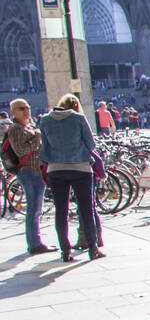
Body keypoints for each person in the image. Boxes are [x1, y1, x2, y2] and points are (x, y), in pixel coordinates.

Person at [39, 94, 103, 262]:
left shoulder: (45, 120)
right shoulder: (79, 118)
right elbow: (91, 144)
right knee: (86, 209)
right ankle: (93, 248)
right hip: (81, 168)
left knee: (61, 211)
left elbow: (44, 147)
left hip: (56, 169)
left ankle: (65, 251)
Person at [5, 98, 52, 256]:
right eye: (21, 108)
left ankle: (35, 242)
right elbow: (21, 150)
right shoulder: (16, 128)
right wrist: (37, 137)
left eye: (27, 107)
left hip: (35, 171)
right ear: (13, 112)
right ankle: (34, 244)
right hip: (29, 172)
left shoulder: (26, 126)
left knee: (36, 209)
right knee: (33, 209)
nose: (26, 110)